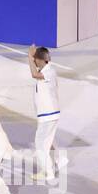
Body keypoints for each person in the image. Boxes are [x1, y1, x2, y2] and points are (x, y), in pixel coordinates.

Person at [26, 45, 60, 181]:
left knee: (40, 144)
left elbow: (34, 74)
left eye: (35, 59)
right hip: (50, 114)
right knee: (48, 142)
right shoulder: (47, 69)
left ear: (40, 59)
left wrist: (29, 56)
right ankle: (55, 163)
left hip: (48, 115)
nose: (34, 62)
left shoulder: (49, 71)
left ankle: (49, 173)